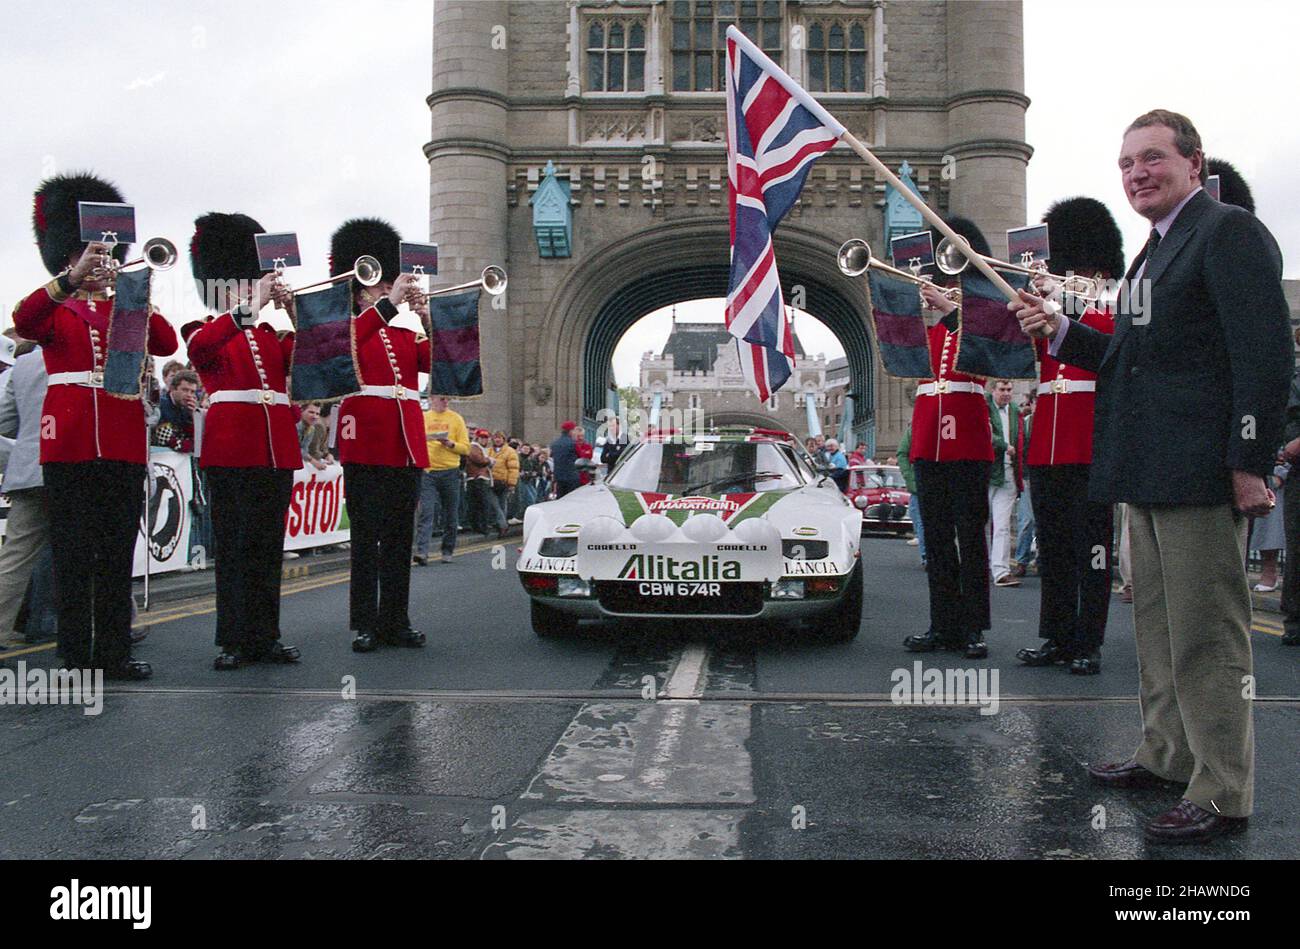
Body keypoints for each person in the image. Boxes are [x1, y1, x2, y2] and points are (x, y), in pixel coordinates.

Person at [1011, 109, 1292, 843]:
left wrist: (1249, 462)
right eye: (1127, 163)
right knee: (1160, 629)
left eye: (1153, 159)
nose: (1138, 173)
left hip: (1201, 473)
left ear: (1194, 163)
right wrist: (1061, 329)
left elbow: (1263, 355)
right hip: (1149, 469)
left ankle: (1223, 786)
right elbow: (1125, 362)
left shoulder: (1226, 232)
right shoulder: (1152, 253)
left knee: (1208, 635)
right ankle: (1167, 753)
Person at [13, 174, 179, 679]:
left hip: (123, 442)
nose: (100, 261)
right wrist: (69, 279)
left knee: (113, 554)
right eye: (88, 254)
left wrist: (135, 290)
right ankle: (73, 654)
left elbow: (167, 344)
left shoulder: (123, 307)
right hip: (70, 440)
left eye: (105, 254)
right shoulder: (57, 304)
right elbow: (24, 319)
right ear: (67, 255)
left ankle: (113, 652)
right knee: (72, 554)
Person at [184, 211, 304, 671]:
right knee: (234, 548)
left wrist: (296, 308)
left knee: (266, 548)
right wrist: (252, 301)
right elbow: (200, 352)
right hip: (231, 448)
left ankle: (266, 635)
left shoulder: (273, 336)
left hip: (274, 450)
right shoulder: (202, 327)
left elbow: (317, 355)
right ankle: (233, 637)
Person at [1013, 196, 1123, 675]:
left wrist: (1065, 304)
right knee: (1053, 544)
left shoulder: (1114, 305)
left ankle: (1088, 641)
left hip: (1090, 438)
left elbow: (1105, 352)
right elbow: (1024, 348)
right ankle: (1057, 635)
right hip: (1048, 441)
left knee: (1093, 547)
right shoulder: (1055, 304)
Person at [331, 219, 431, 654]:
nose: (386, 289)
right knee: (366, 540)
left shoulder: (406, 334)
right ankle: (365, 622)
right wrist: (388, 304)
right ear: (358, 289)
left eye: (390, 283)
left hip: (405, 444)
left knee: (397, 539)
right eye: (378, 284)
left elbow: (449, 361)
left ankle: (396, 619)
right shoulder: (347, 328)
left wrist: (428, 314)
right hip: (366, 441)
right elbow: (350, 345)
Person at [902, 217, 996, 660]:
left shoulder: (976, 316)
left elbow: (986, 355)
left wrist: (950, 310)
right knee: (937, 538)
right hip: (928, 439)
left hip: (967, 441)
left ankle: (973, 626)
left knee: (970, 537)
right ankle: (942, 623)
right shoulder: (929, 325)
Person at [0, 343, 51, 646]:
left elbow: (5, 420)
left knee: (15, 557)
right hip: (75, 466)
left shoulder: (24, 365)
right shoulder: (89, 354)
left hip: (29, 469)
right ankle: (115, 623)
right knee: (91, 553)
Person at [414, 394, 469, 564]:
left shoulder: (456, 419)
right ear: (431, 399)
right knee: (426, 512)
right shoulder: (423, 418)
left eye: (447, 399)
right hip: (428, 472)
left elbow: (466, 448)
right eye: (442, 398)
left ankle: (447, 550)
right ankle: (422, 552)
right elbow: (415, 441)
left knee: (450, 514)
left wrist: (451, 444)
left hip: (450, 472)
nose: (446, 402)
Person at [985, 379, 1023, 587]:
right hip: (987, 472)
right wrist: (1003, 445)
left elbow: (1021, 438)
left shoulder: (1015, 411)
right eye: (1002, 389)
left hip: (1008, 473)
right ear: (993, 390)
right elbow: (985, 432)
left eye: (1009, 389)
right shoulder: (984, 407)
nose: (1006, 393)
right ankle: (979, 565)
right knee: (980, 522)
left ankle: (1000, 570)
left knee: (1002, 525)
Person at [466, 428, 504, 536]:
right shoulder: (474, 447)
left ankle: (480, 526)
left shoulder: (480, 448)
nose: (484, 440)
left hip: (479, 478)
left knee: (480, 504)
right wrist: (490, 460)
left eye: (486, 438)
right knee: (482, 504)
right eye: (482, 438)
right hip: (478, 478)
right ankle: (481, 527)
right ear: (477, 438)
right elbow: (479, 460)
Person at [550, 420, 581, 497]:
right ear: (570, 431)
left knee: (561, 499)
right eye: (574, 430)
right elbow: (580, 456)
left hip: (558, 476)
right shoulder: (573, 443)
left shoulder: (555, 443)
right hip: (571, 476)